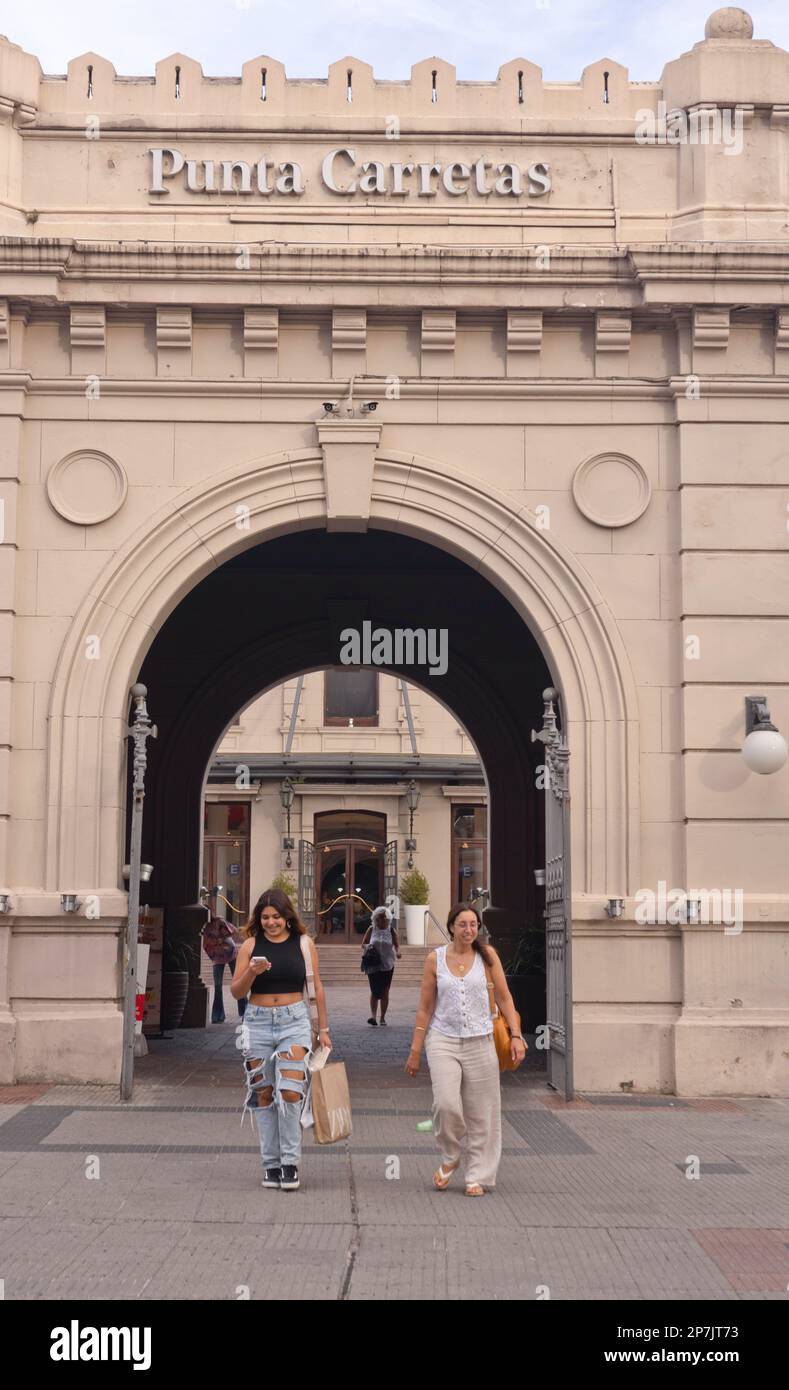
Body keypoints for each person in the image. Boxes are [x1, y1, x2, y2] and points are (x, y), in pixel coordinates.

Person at [404, 902, 526, 1196]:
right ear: (451, 927)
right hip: (442, 1039)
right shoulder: (435, 959)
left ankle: (476, 1176)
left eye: (473, 925)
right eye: (463, 924)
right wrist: (415, 1050)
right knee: (446, 1104)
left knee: (482, 1112)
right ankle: (450, 1157)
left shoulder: (488, 957)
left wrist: (517, 1035)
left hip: (481, 1040)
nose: (469, 930)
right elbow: (424, 1008)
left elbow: (505, 999)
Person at [231, 887, 331, 1192]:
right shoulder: (249, 945)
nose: (271, 922)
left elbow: (317, 988)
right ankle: (270, 1165)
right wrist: (251, 971)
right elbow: (236, 991)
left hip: (294, 1021)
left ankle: (290, 1163)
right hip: (257, 1022)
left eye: (276, 916)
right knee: (263, 1094)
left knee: (289, 1092)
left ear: (287, 917)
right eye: (265, 917)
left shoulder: (303, 944)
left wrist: (323, 1030)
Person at [360, 905, 402, 1026]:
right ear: (374, 919)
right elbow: (363, 944)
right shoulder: (371, 929)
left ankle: (382, 1017)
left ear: (388, 919)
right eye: (378, 918)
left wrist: (398, 952)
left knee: (385, 991)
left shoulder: (391, 930)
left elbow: (397, 945)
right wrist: (370, 947)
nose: (381, 921)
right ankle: (373, 1016)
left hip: (388, 965)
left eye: (384, 918)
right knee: (374, 990)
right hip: (373, 964)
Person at [201, 912, 245, 1024]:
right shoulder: (205, 928)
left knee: (238, 981)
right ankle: (218, 1016)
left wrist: (222, 937)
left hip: (231, 953)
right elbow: (205, 945)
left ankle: (245, 1011)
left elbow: (233, 930)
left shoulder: (219, 921)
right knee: (218, 986)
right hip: (217, 956)